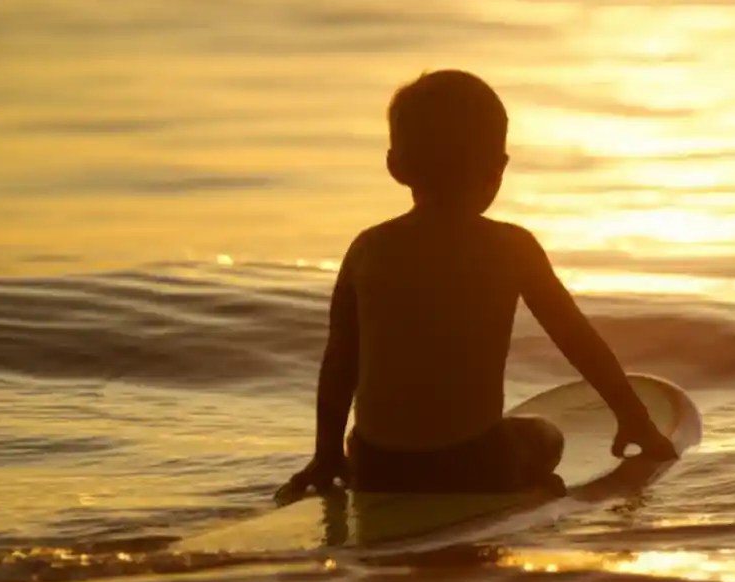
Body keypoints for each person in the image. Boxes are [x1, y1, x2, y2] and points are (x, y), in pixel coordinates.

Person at [275, 69, 676, 502]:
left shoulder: (367, 249)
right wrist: (631, 415)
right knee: (547, 436)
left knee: (376, 442)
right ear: (497, 167)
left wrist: (327, 454)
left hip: (376, 466)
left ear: (396, 166)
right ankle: (535, 490)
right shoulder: (512, 246)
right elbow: (575, 337)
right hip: (475, 464)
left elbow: (340, 361)